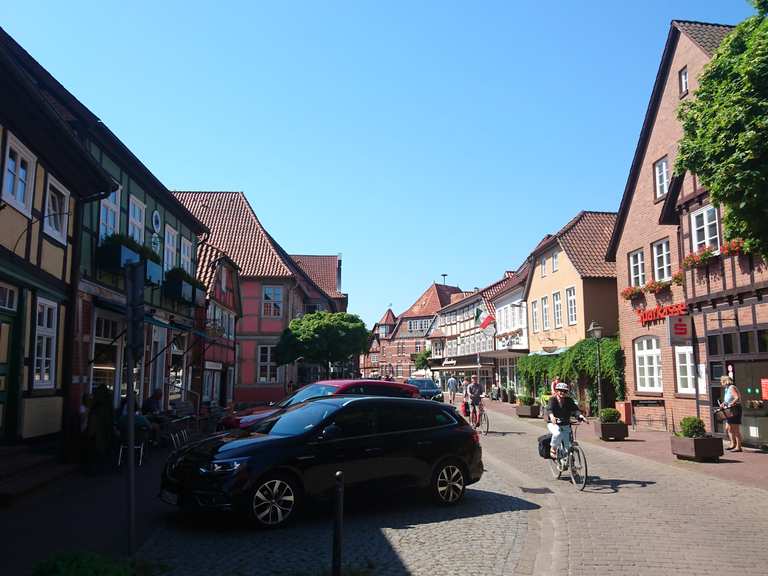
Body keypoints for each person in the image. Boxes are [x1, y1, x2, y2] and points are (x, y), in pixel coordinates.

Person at [547, 382, 585, 459]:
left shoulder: (569, 400)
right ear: (557, 391)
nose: (562, 393)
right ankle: (553, 448)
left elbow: (575, 410)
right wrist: (552, 416)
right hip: (554, 424)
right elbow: (549, 409)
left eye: (564, 391)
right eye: (560, 391)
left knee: (567, 447)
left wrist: (580, 416)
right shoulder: (552, 400)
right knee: (557, 434)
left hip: (565, 423)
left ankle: (571, 466)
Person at [720, 375, 743, 452]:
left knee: (735, 428)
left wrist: (732, 403)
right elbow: (727, 400)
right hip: (730, 410)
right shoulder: (727, 389)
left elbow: (737, 397)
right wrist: (723, 403)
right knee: (728, 428)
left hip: (735, 409)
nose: (721, 383)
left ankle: (738, 447)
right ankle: (732, 444)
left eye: (721, 381)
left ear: (725, 381)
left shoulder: (731, 387)